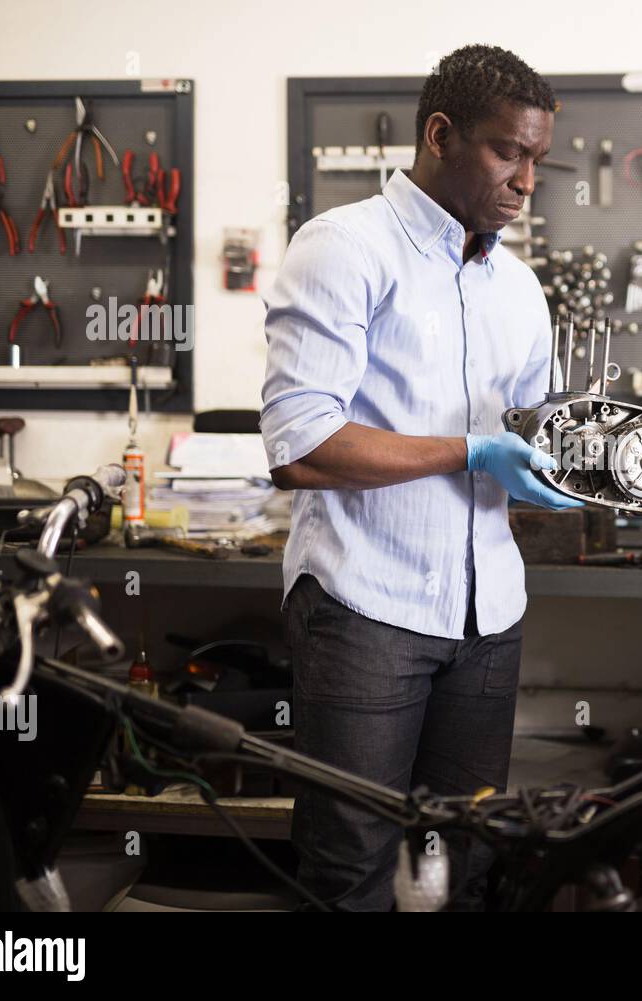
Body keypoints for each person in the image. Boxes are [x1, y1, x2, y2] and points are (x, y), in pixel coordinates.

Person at [260, 43, 581, 911]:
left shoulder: (521, 289)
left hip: (488, 619)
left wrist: (589, 470)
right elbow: (301, 444)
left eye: (538, 161)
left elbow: (527, 437)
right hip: (367, 609)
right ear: (440, 134)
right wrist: (468, 451)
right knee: (349, 873)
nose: (525, 181)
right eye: (507, 152)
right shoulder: (343, 249)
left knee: (467, 866)